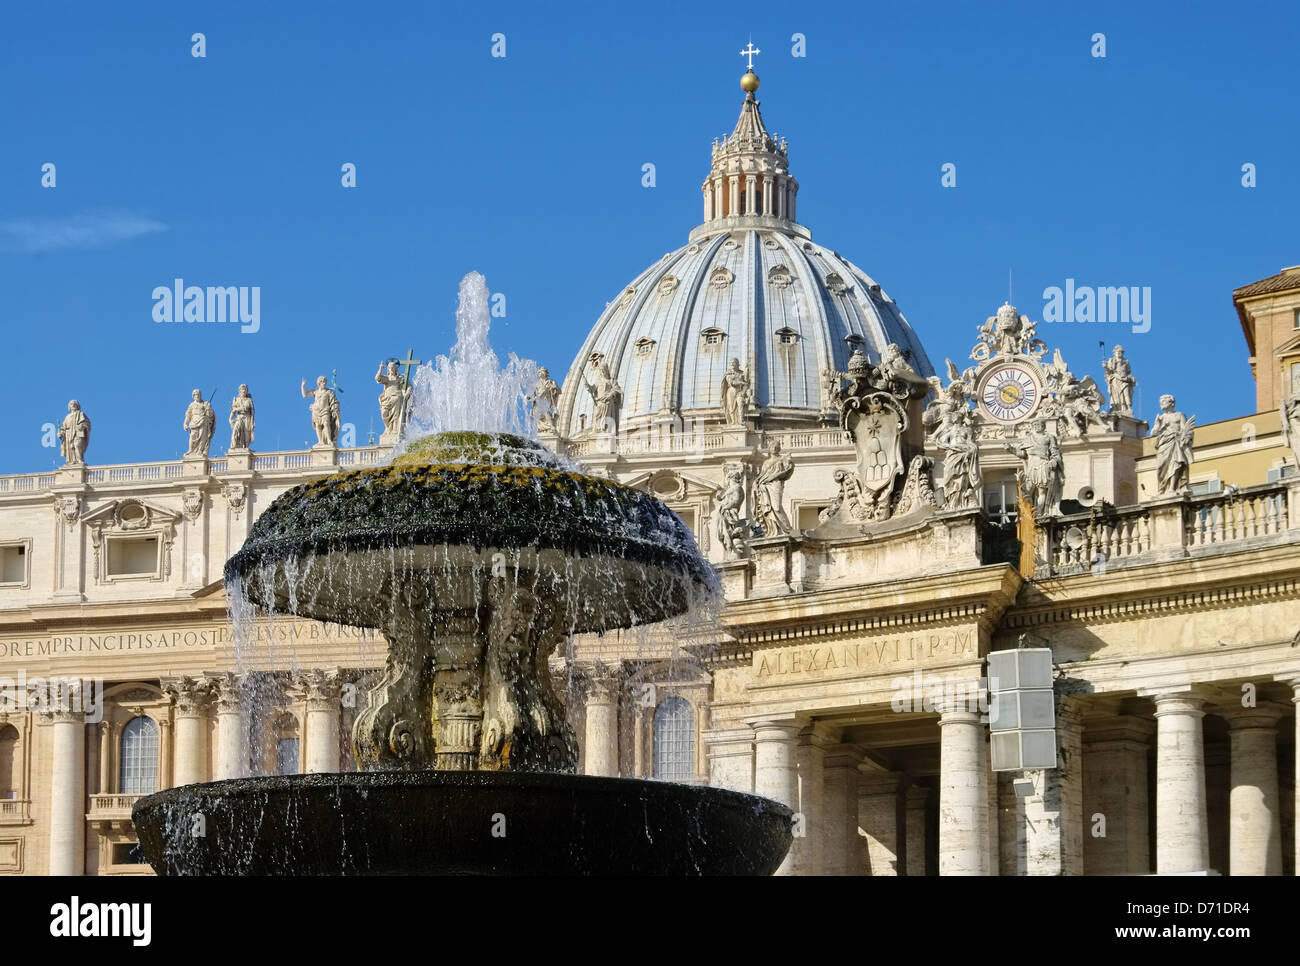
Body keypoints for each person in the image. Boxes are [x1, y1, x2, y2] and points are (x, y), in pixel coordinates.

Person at [1151, 394, 1194, 494]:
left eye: (1164, 401)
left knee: (1175, 463)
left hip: (1175, 442)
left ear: (1171, 403)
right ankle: (1162, 487)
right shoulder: (1161, 418)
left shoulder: (1179, 415)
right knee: (1160, 467)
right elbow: (1153, 433)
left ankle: (1172, 488)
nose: (1161, 404)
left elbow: (1185, 430)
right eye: (1160, 402)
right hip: (1164, 444)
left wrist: (1185, 437)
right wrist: (1157, 425)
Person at [753, 443, 795, 535]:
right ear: (769, 448)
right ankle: (774, 530)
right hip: (765, 485)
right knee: (770, 507)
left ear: (779, 448)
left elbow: (788, 471)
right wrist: (756, 482)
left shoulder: (782, 459)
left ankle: (788, 530)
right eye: (772, 446)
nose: (774, 448)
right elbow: (762, 476)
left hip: (776, 483)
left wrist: (789, 462)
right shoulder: (765, 462)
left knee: (776, 507)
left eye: (776, 446)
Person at [302, 376, 341, 446]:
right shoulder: (315, 392)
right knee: (317, 425)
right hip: (316, 410)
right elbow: (305, 395)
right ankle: (320, 441)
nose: (324, 383)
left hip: (325, 410)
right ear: (319, 383)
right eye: (322, 382)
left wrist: (334, 409)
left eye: (325, 382)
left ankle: (329, 440)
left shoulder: (329, 392)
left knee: (326, 423)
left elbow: (334, 401)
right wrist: (303, 386)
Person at [1104, 345, 1136, 415]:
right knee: (1117, 394)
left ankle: (1128, 408)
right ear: (1114, 353)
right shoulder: (1111, 360)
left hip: (1125, 380)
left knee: (1126, 394)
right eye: (1117, 352)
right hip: (1115, 379)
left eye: (1120, 352)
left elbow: (1128, 372)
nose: (1119, 353)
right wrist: (1105, 367)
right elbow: (1109, 371)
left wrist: (1131, 378)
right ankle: (1119, 408)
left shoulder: (1126, 361)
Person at [183, 389, 216, 457]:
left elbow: (210, 415)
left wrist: (208, 409)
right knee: (193, 436)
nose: (197, 396)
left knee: (202, 436)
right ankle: (191, 450)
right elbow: (188, 415)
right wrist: (185, 424)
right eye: (196, 395)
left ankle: (200, 450)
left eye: (198, 394)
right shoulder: (192, 405)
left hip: (203, 422)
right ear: (193, 396)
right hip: (194, 422)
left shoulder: (205, 404)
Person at [58, 400, 91, 464]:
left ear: (77, 406)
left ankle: (80, 460)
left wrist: (81, 425)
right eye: (71, 404)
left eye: (74, 404)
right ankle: (72, 461)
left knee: (78, 445)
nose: (73, 405)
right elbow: (63, 428)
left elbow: (87, 423)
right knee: (71, 447)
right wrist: (61, 433)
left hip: (79, 432)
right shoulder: (67, 417)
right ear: (69, 407)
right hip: (69, 434)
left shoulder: (81, 414)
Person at [229, 385, 255, 450]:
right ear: (239, 391)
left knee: (246, 435)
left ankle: (244, 447)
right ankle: (233, 446)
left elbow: (246, 408)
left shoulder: (249, 400)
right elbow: (233, 411)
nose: (243, 391)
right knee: (235, 429)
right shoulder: (236, 400)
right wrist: (231, 418)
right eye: (242, 390)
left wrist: (236, 409)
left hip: (247, 418)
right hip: (239, 418)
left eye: (245, 390)